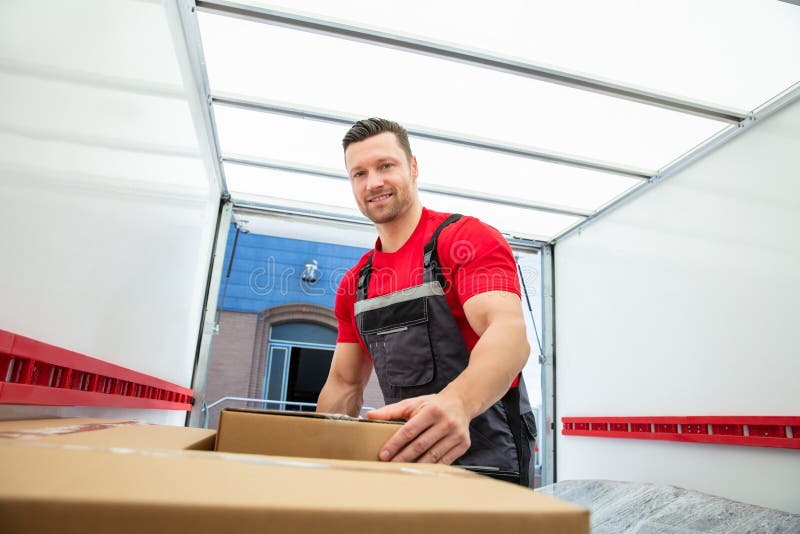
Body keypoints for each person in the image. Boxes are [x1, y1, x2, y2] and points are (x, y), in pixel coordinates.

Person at [316, 118, 537, 487]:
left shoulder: (466, 239)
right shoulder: (356, 284)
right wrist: (318, 456)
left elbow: (509, 335)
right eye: (359, 173)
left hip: (489, 462)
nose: (374, 182)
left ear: (413, 167)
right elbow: (343, 383)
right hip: (408, 459)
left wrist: (458, 404)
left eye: (386, 166)